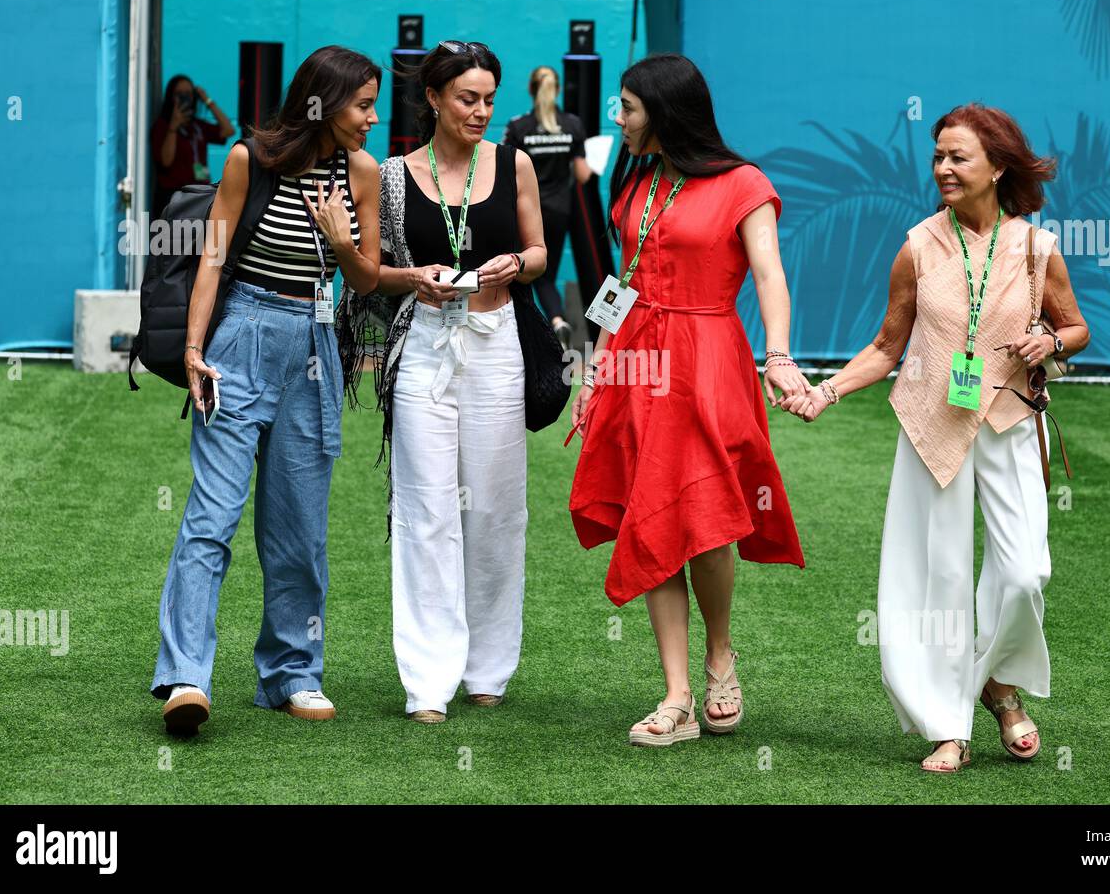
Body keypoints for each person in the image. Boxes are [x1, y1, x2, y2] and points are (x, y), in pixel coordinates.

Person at [782, 103, 1090, 773]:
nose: (943, 169)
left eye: (958, 158)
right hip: (932, 423)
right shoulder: (918, 245)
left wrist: (1050, 339)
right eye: (938, 157)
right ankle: (950, 723)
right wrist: (824, 391)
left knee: (1023, 571)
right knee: (939, 580)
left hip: (1010, 419)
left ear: (997, 167)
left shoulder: (1037, 249)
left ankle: (993, 679)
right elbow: (886, 345)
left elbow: (1076, 329)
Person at [566, 53, 808, 747]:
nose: (618, 118)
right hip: (638, 361)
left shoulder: (743, 183)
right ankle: (675, 694)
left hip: (708, 359)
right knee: (652, 513)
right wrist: (595, 367)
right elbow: (624, 280)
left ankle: (720, 654)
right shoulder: (639, 178)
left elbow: (769, 275)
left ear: (665, 112)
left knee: (704, 512)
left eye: (629, 108)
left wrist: (780, 354)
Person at [150, 46, 381, 736]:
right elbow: (214, 258)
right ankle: (186, 675)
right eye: (363, 105)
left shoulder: (361, 173)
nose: (372, 118)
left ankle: (292, 673)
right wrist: (194, 350)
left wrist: (342, 245)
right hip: (241, 338)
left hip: (313, 343)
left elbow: (366, 280)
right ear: (324, 100)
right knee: (211, 519)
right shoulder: (250, 160)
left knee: (301, 529)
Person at [338, 41, 547, 724]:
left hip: (497, 345)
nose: (482, 112)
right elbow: (368, 274)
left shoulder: (513, 162)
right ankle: (429, 680)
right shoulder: (393, 173)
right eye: (467, 99)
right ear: (433, 98)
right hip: (424, 345)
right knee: (425, 509)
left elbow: (542, 252)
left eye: (490, 98)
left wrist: (516, 263)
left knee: (493, 508)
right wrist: (412, 279)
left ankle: (488, 668)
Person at [502, 66, 592, 346]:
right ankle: (558, 320)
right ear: (558, 90)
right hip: (560, 211)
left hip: (527, 210)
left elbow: (504, 172)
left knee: (527, 271)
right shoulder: (573, 125)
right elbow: (583, 175)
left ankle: (540, 327)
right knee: (546, 273)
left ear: (531, 90)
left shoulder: (518, 127)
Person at [150, 75, 236, 222]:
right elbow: (166, 161)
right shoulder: (162, 126)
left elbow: (228, 130)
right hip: (174, 198)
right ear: (171, 96)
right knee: (173, 243)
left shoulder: (196, 125)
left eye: (189, 94)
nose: (184, 98)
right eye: (179, 94)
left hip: (198, 196)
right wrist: (173, 127)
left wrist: (207, 100)